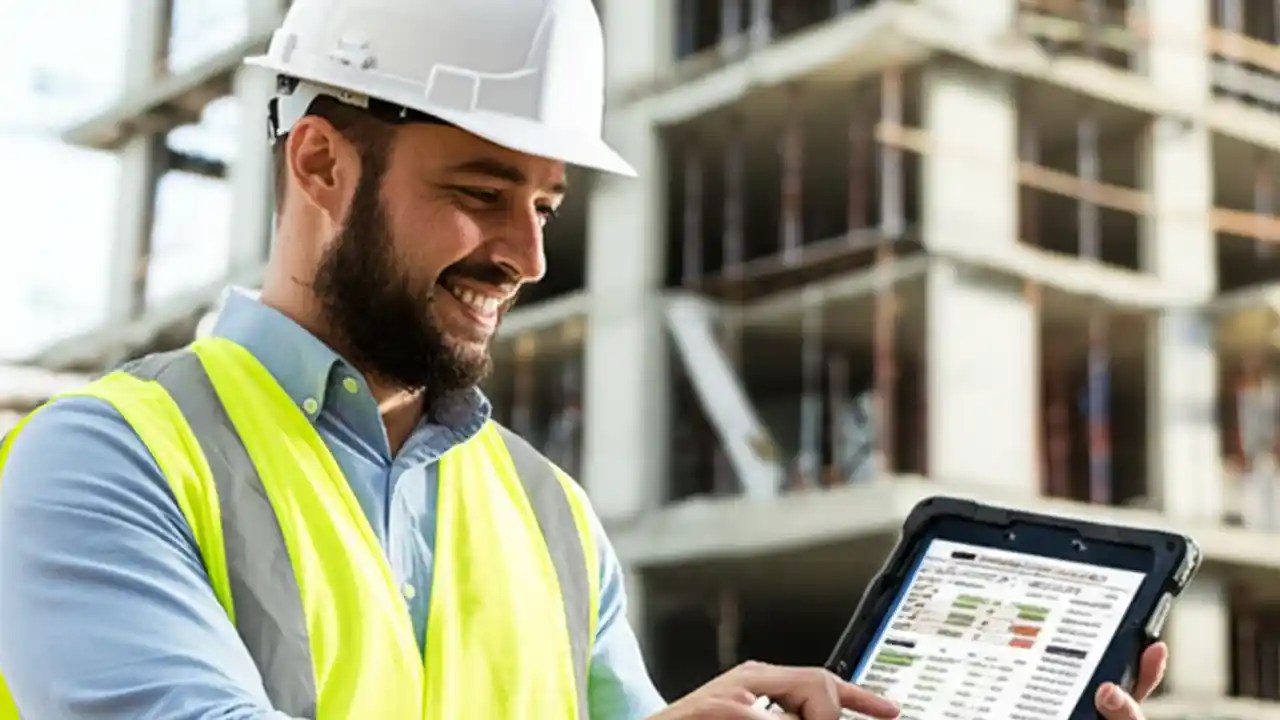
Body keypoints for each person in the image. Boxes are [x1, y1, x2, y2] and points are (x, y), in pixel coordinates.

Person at [0, 1, 1167, 718]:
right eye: (477, 193)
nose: (523, 255)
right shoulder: (100, 459)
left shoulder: (547, 511)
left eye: (546, 205)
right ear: (318, 165)